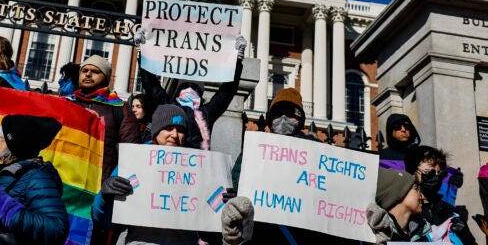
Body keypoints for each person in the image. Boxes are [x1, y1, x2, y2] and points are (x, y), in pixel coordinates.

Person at [225, 87, 362, 244]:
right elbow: (237, 177)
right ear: (270, 119)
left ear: (299, 120)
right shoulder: (256, 148)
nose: (283, 119)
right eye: (277, 115)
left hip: (303, 233)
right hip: (262, 231)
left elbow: (334, 186)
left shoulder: (315, 149)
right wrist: (236, 192)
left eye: (290, 115)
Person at [92, 104, 204, 244]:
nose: (175, 135)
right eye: (168, 128)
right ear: (156, 131)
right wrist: (104, 196)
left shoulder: (198, 168)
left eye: (180, 130)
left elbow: (208, 226)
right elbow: (102, 221)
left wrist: (221, 205)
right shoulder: (134, 161)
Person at [0, 114, 69, 245]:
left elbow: (57, 229)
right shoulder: (7, 174)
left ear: (12, 144)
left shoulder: (37, 177)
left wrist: (7, 210)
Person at [138, 36, 247, 150]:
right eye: (185, 86)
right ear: (179, 91)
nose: (189, 90)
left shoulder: (207, 113)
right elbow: (152, 87)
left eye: (194, 88)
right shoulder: (169, 105)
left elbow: (226, 93)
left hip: (195, 163)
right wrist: (143, 52)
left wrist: (238, 60)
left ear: (200, 93)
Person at [65, 55, 140, 180]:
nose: (88, 74)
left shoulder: (120, 108)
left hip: (100, 184)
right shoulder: (66, 104)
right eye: (84, 71)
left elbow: (131, 152)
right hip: (65, 180)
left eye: (95, 71)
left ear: (106, 78)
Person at [404, 146, 476, 244]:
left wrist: (465, 235)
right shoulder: (405, 210)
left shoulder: (450, 213)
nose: (436, 177)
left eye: (440, 173)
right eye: (429, 172)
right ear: (413, 173)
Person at [365, 168, 432, 244]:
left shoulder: (424, 231)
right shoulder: (375, 234)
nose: (422, 197)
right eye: (416, 189)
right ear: (398, 194)